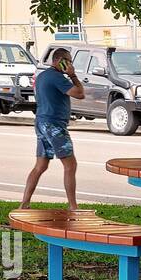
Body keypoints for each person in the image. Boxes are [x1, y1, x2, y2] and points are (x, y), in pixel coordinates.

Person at [21, 48, 85, 210]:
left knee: (40, 166)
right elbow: (79, 93)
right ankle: (73, 206)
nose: (70, 64)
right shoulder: (57, 77)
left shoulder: (42, 76)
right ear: (58, 61)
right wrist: (72, 75)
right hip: (54, 125)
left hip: (42, 122)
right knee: (70, 165)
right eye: (68, 61)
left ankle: (25, 203)